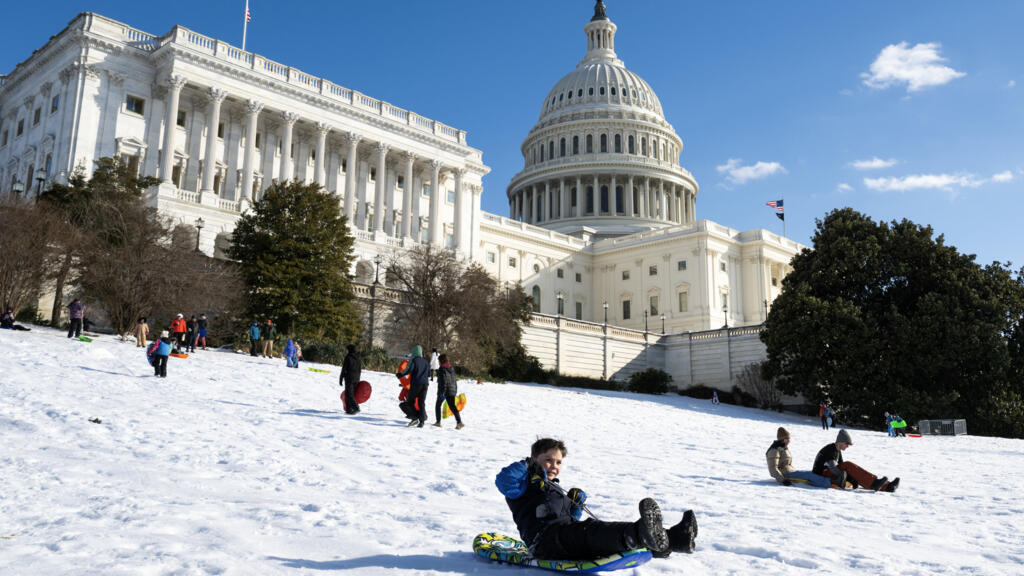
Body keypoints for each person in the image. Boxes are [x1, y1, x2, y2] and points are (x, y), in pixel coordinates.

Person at [495, 438, 697, 560]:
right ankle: (641, 534)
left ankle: (673, 540)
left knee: (595, 533)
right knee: (590, 531)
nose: (554, 466)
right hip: (544, 542)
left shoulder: (554, 488)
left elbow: (569, 520)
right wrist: (526, 466)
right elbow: (503, 481)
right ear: (533, 459)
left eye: (558, 462)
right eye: (548, 460)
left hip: (564, 537)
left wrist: (575, 505)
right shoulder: (522, 485)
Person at [813, 429, 899, 492]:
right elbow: (833, 468)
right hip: (822, 473)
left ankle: (887, 486)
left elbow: (842, 467)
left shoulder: (837, 450)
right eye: (847, 444)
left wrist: (852, 479)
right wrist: (846, 476)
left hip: (828, 472)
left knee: (850, 468)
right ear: (840, 442)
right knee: (848, 465)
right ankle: (876, 483)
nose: (848, 446)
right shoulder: (830, 450)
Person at [766, 427, 830, 488]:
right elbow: (773, 468)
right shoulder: (774, 450)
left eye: (789, 439)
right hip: (785, 475)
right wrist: (783, 480)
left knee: (811, 472)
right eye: (787, 439)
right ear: (782, 439)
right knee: (809, 476)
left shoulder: (783, 448)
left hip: (791, 472)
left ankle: (830, 480)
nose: (789, 441)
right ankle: (828, 483)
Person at [396, 345, 430, 427]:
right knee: (421, 402)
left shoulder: (414, 360)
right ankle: (422, 421)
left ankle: (414, 418)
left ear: (414, 352)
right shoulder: (425, 361)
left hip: (416, 384)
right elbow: (429, 374)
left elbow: (409, 369)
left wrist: (400, 374)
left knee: (410, 401)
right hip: (425, 385)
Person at [433, 353, 464, 429]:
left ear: (441, 360)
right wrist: (455, 390)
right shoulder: (451, 368)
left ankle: (438, 422)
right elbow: (454, 380)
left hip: (445, 391)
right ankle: (459, 422)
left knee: (438, 405)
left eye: (439, 360)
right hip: (452, 390)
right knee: (452, 406)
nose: (438, 362)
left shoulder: (442, 369)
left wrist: (442, 392)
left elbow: (444, 381)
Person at [340, 344, 362, 415]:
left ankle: (356, 407)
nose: (346, 351)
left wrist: (341, 378)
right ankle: (349, 409)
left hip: (349, 378)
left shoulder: (348, 357)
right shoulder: (358, 357)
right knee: (349, 394)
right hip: (356, 378)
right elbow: (359, 369)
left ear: (349, 350)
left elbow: (344, 369)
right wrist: (358, 378)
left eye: (347, 349)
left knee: (349, 394)